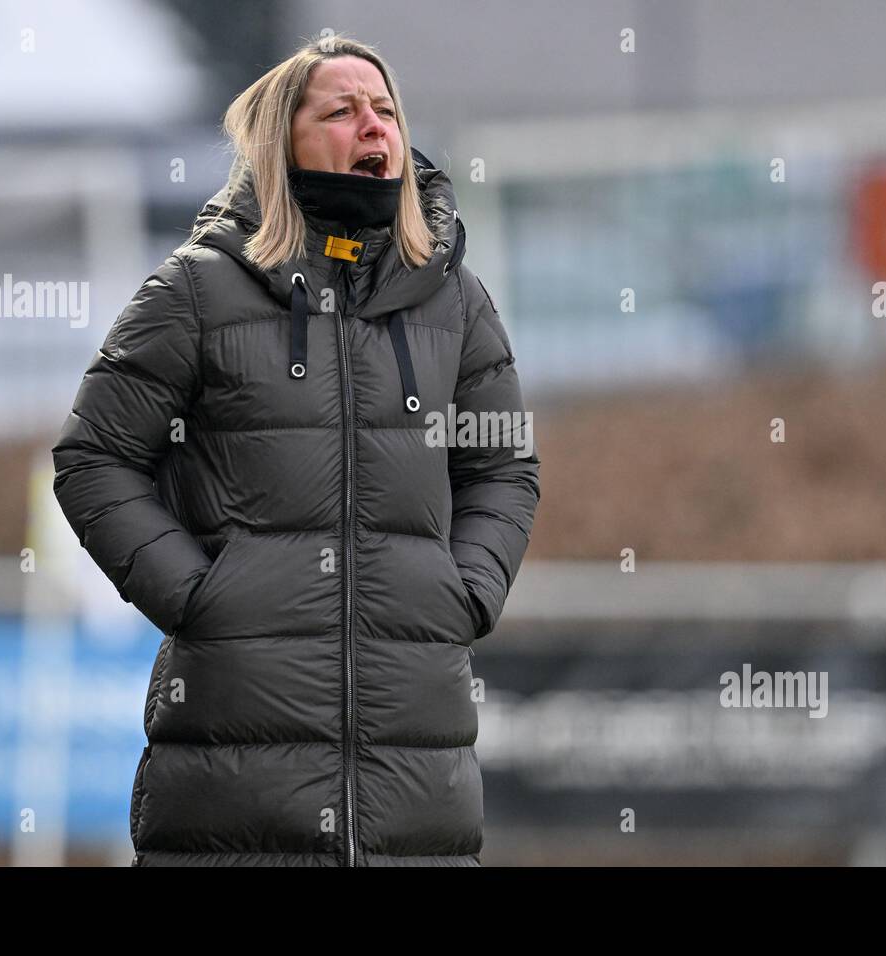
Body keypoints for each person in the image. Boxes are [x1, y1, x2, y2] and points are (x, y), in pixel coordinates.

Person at [51, 34, 540, 866]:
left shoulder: (455, 300)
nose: (373, 128)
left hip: (417, 781)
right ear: (282, 141)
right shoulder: (198, 288)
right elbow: (94, 456)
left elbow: (503, 463)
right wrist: (203, 596)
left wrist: (464, 591)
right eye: (342, 111)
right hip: (230, 781)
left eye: (385, 110)